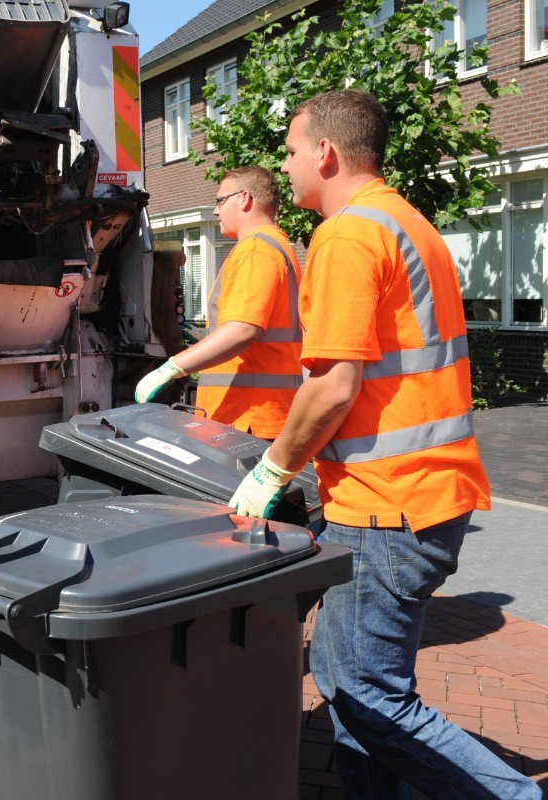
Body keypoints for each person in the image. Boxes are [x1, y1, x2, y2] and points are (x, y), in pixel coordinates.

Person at [230, 90, 541, 799]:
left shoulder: (346, 235)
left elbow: (334, 387)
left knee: (362, 690)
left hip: (386, 506)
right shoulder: (409, 224)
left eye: (288, 150)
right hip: (428, 493)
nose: (285, 165)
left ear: (325, 153)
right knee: (359, 695)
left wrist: (272, 470)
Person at [135, 166, 302, 439]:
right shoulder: (278, 247)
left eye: (220, 201)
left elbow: (242, 329)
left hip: (246, 417)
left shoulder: (255, 249)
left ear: (244, 198)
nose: (216, 211)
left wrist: (172, 367)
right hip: (264, 413)